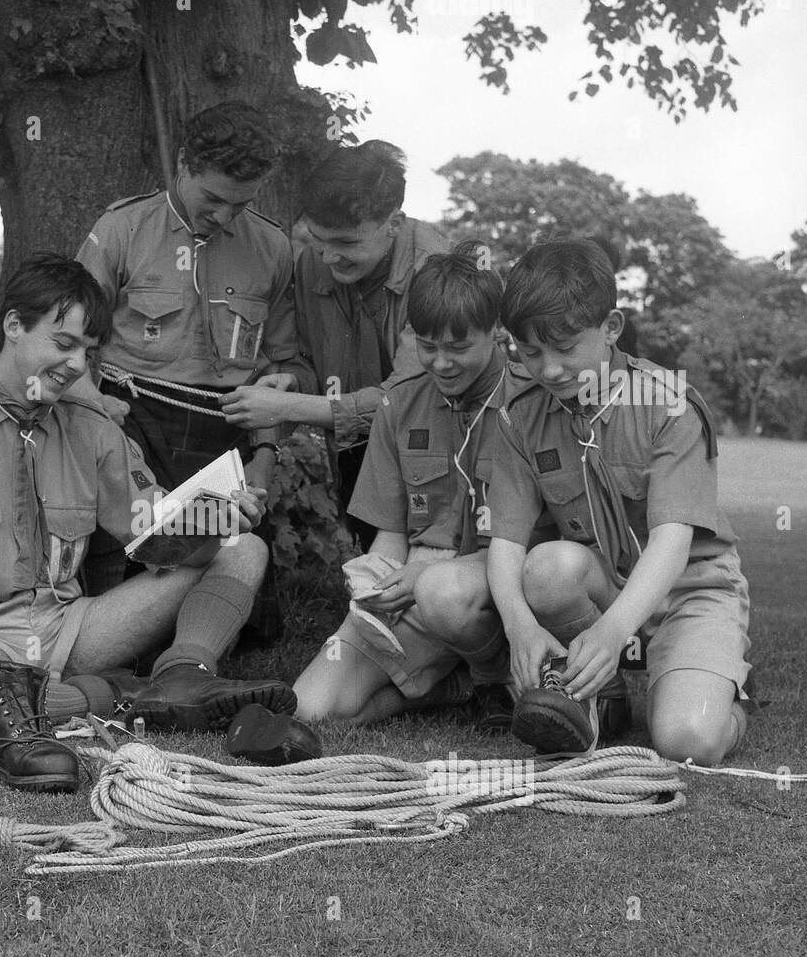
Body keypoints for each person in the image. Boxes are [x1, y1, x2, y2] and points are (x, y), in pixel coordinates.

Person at [0, 255, 295, 784]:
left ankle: (183, 677)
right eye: (64, 345)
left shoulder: (94, 431)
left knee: (244, 550)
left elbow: (158, 540)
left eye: (88, 351)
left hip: (74, 630)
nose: (79, 366)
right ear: (14, 326)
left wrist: (217, 519)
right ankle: (118, 697)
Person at [487, 240, 750, 761]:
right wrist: (519, 626)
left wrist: (612, 633)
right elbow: (506, 543)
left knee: (686, 740)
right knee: (547, 568)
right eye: (530, 351)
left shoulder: (667, 404)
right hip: (604, 586)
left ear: (611, 327)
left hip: (688, 591)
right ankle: (600, 703)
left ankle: (723, 690)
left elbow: (672, 548)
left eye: (566, 347)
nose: (550, 368)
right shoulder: (519, 414)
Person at [74, 101, 307, 626]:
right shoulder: (121, 230)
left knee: (250, 624)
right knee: (133, 599)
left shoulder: (272, 247)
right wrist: (95, 417)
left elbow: (282, 366)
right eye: (213, 198)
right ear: (182, 164)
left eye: (240, 205)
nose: (224, 217)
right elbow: (71, 338)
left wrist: (263, 459)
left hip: (227, 433)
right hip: (132, 426)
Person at [293, 242, 527, 729]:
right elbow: (391, 532)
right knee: (312, 707)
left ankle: (491, 674)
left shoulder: (530, 404)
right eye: (427, 346)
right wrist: (377, 581)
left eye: (458, 347)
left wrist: (426, 577)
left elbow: (547, 538)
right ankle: (447, 687)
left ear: (497, 332)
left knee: (443, 590)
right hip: (421, 588)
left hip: (504, 584)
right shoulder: (397, 406)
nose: (441, 363)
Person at [220, 140, 450, 546]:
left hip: (434, 461)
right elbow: (307, 359)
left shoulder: (434, 269)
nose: (327, 257)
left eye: (346, 244)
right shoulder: (312, 262)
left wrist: (289, 406)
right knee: (368, 573)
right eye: (317, 238)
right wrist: (292, 382)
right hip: (354, 457)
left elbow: (407, 400)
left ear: (394, 223)